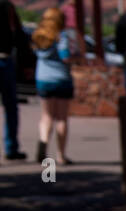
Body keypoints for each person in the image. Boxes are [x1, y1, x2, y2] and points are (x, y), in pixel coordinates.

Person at [32, 7, 77, 164]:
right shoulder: (61, 37)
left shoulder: (40, 36)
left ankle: (43, 142)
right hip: (61, 79)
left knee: (46, 116)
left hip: (43, 79)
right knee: (62, 119)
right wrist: (76, 58)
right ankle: (61, 155)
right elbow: (65, 57)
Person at [0, 0, 26, 160]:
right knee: (10, 107)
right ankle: (11, 148)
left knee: (11, 108)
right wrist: (26, 63)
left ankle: (12, 147)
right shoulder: (7, 7)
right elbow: (19, 36)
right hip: (3, 59)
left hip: (5, 59)